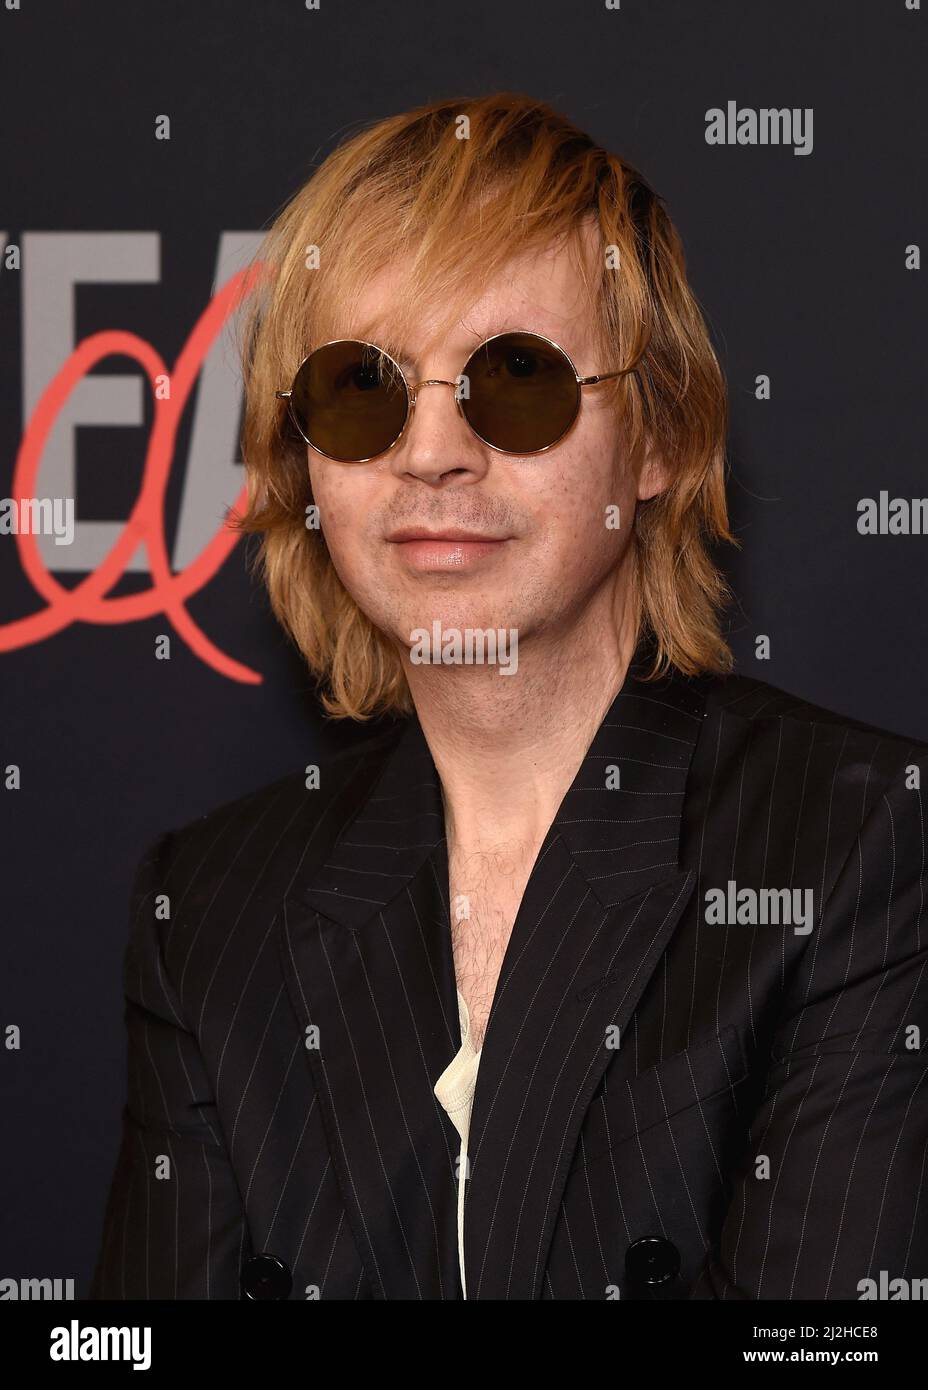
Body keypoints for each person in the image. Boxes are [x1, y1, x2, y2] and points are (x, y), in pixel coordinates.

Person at [89, 92, 928, 1301]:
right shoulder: (207, 911)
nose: (430, 451)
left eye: (515, 377)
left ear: (661, 441)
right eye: (362, 389)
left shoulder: (861, 842)